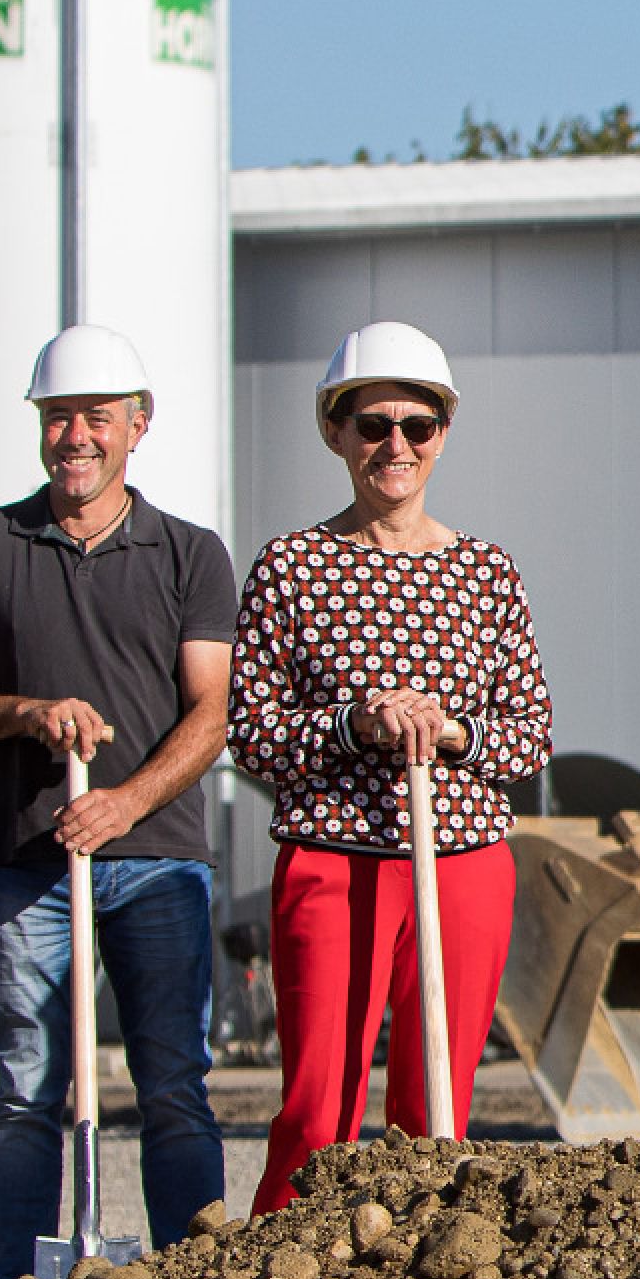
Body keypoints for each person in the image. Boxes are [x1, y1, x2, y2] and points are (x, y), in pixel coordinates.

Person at [0, 325, 236, 1279]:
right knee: (24, 1088)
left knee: (174, 1081)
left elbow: (210, 710)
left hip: (158, 861)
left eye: (97, 417)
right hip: (26, 861)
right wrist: (24, 710)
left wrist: (125, 801)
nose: (76, 437)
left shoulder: (190, 554)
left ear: (138, 425)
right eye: (59, 418)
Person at [227, 321, 550, 1209]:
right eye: (373, 425)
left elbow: (529, 735)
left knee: (437, 1106)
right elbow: (251, 732)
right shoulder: (290, 566)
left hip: (464, 864)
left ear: (444, 433)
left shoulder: (486, 571)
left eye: (417, 425)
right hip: (333, 863)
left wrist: (454, 736)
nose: (395, 445)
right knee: (316, 1105)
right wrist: (352, 724)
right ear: (336, 433)